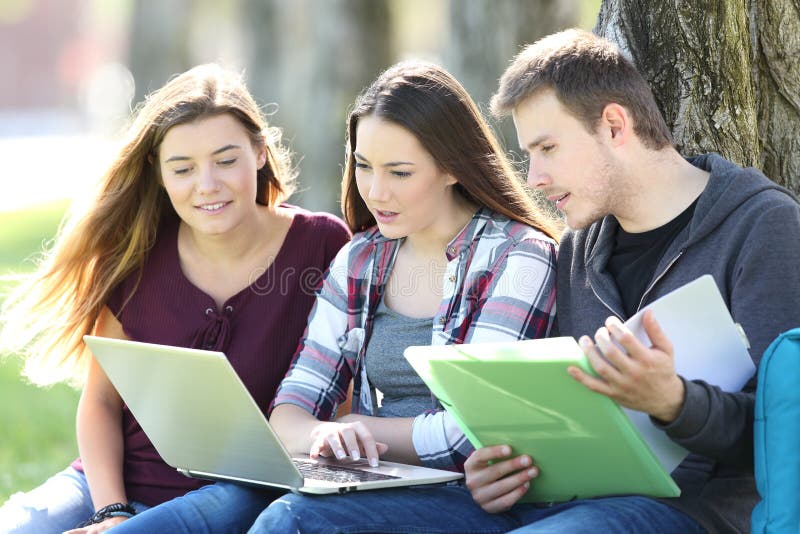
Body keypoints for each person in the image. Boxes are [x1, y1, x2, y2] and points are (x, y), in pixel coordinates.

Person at [460, 28, 800, 533]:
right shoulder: (577, 250)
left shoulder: (763, 227)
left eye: (548, 147)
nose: (533, 178)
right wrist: (504, 469)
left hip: (697, 516)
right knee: (311, 518)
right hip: (573, 506)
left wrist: (674, 402)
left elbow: (784, 436)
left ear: (615, 125)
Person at [0, 63, 350, 534]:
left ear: (260, 152)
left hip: (246, 490)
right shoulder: (135, 253)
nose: (206, 185)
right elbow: (101, 402)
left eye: (226, 160)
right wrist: (111, 510)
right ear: (158, 173)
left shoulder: (321, 244)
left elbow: (342, 394)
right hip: (113, 483)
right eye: (182, 168)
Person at [243, 60, 559, 532]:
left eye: (400, 173)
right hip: (372, 486)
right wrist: (325, 435)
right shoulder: (360, 259)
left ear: (453, 166)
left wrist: (354, 436)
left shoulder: (520, 259)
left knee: (291, 522)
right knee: (220, 505)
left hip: (469, 499)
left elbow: (471, 431)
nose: (375, 191)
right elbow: (290, 414)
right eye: (364, 167)